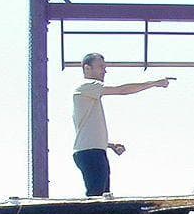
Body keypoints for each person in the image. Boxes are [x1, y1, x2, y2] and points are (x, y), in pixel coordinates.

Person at [72, 53, 171, 196]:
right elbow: (122, 90)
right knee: (96, 197)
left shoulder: (89, 93)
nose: (104, 71)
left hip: (94, 151)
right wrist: (154, 83)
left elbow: (88, 130)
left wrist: (110, 145)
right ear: (87, 69)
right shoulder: (87, 86)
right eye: (101, 67)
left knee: (103, 195)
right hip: (91, 153)